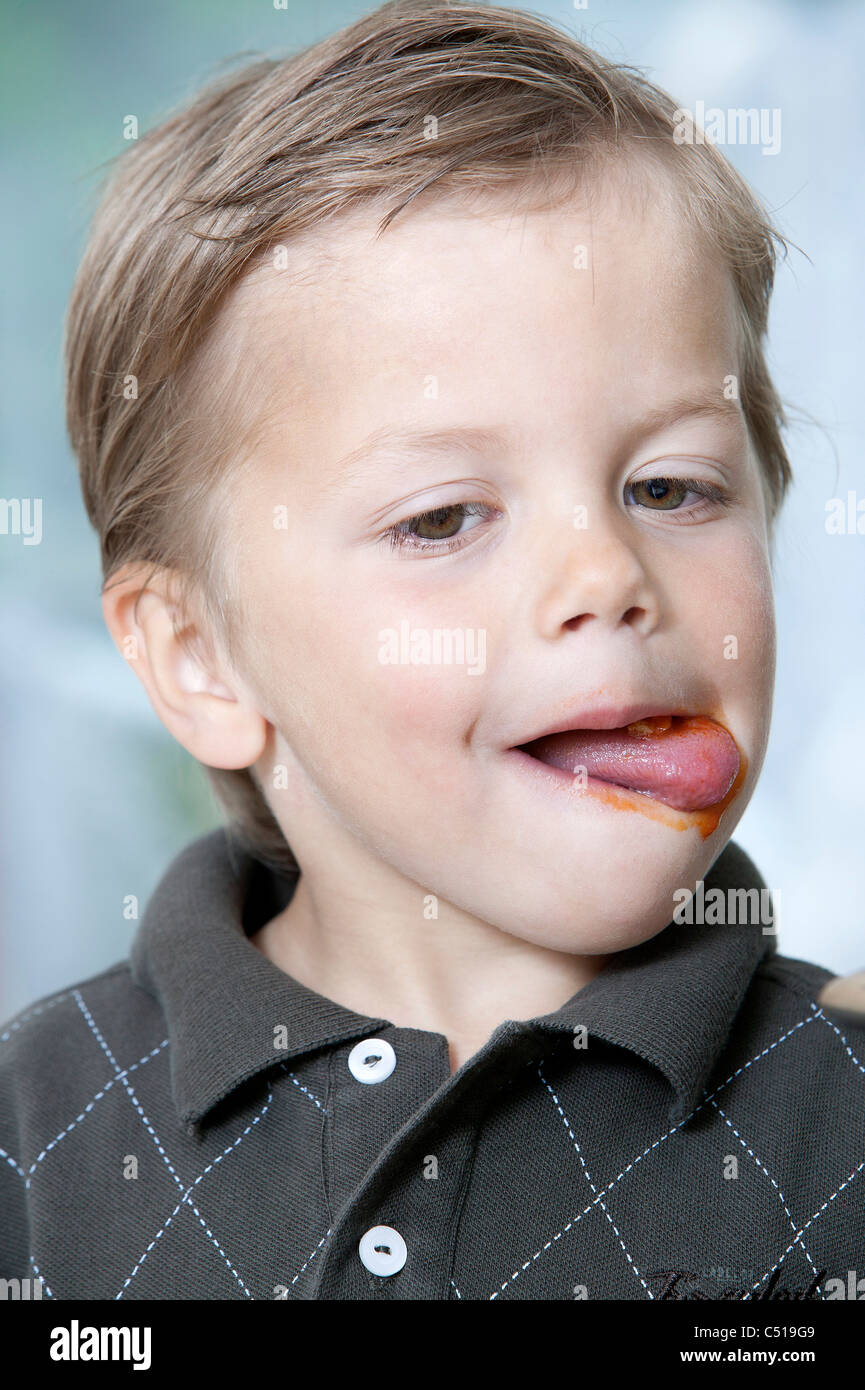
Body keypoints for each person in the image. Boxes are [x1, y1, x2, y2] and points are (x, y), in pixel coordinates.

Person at [2, 0, 863, 1301]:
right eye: (445, 517)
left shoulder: (841, 1118)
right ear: (200, 661)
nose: (606, 578)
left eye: (673, 487)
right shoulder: (34, 1132)